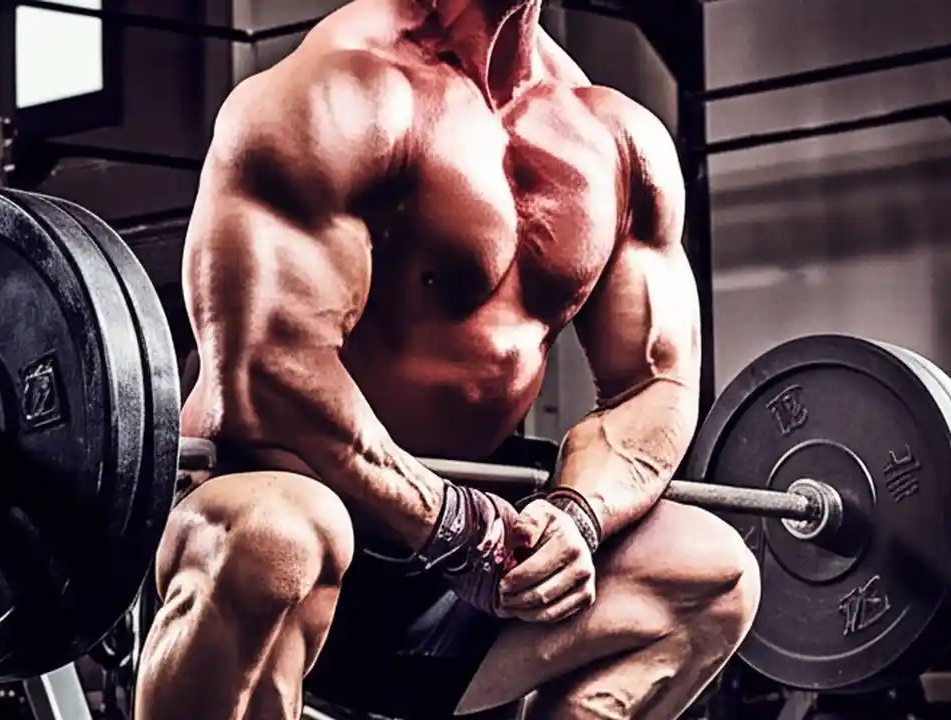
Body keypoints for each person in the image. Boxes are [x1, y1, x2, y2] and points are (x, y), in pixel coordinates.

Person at [137, 0, 761, 718]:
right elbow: (268, 374)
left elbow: (657, 382)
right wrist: (451, 524)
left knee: (711, 574)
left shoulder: (612, 135)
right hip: (280, 511)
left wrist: (576, 516)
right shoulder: (337, 91)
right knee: (279, 534)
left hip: (462, 554)